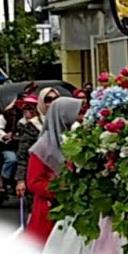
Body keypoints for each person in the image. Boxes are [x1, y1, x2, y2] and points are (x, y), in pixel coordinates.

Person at [25, 97, 83, 243]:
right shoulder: (43, 147)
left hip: (71, 210)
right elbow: (33, 183)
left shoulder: (73, 141)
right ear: (64, 115)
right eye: (77, 113)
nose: (81, 118)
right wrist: (60, 189)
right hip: (49, 212)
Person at [12, 94, 46, 199]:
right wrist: (20, 180)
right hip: (33, 167)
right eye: (26, 107)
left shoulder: (46, 122)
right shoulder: (24, 124)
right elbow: (23, 155)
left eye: (31, 107)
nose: (28, 110)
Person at [0, 99, 21, 192]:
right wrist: (4, 136)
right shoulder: (7, 114)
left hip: (25, 146)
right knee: (12, 159)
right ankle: (3, 179)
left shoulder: (34, 115)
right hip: (8, 146)